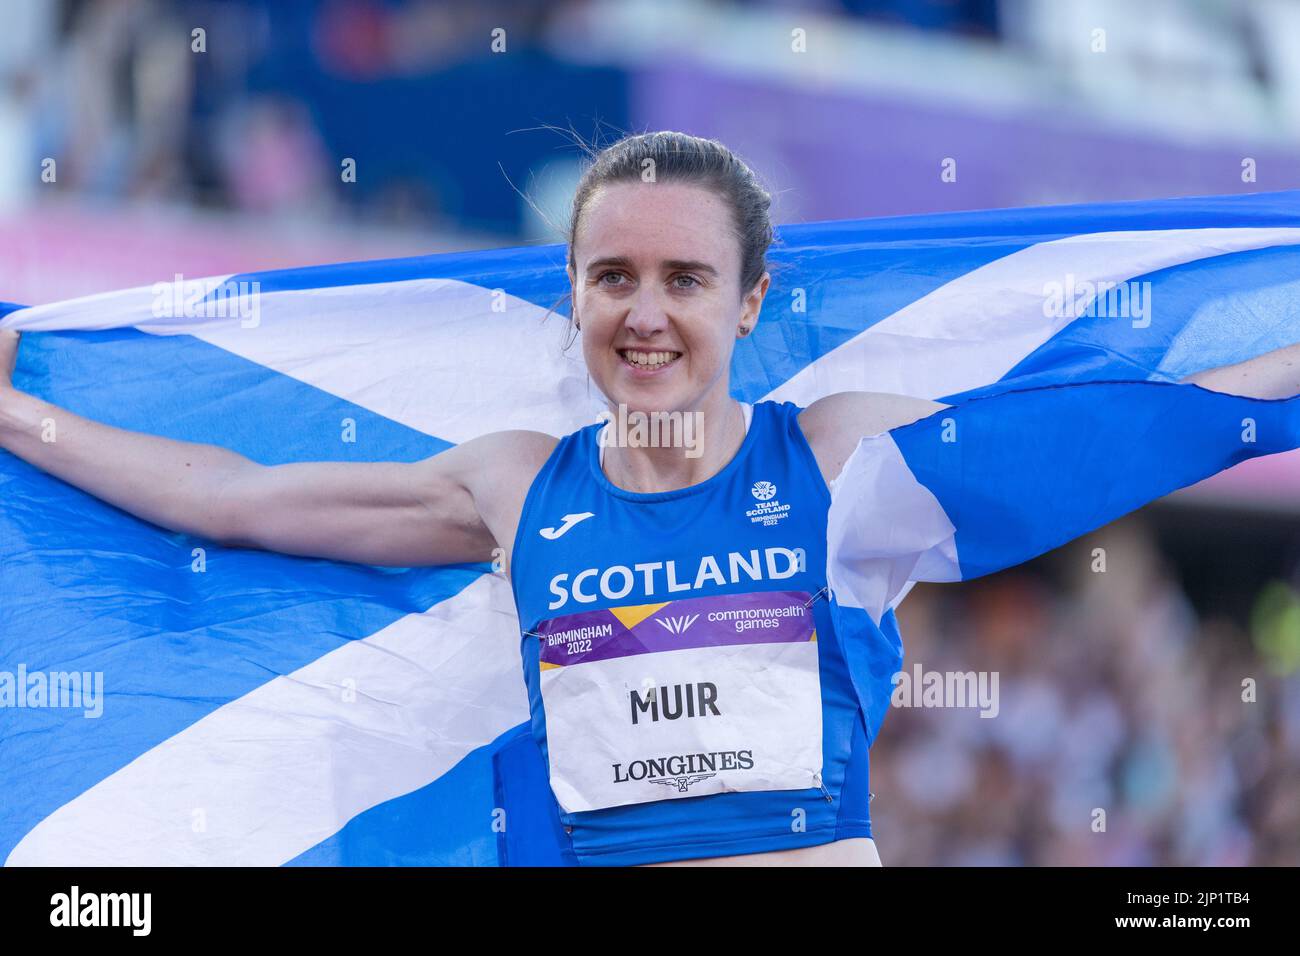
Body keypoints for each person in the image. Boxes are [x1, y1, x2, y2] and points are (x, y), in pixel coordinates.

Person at [3, 131, 1299, 867]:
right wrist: (15, 414)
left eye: (685, 278)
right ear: (572, 296)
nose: (645, 311)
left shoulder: (842, 462)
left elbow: (1123, 427)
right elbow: (232, 499)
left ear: (746, 302)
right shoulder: (514, 484)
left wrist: (1276, 382)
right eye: (613, 276)